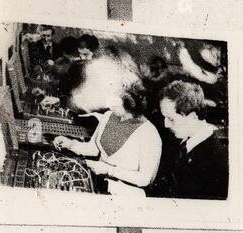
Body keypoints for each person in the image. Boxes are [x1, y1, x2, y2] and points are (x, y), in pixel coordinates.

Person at [53, 52, 162, 197]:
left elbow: (145, 179)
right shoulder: (109, 116)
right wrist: (69, 144)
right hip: (99, 183)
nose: (109, 104)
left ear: (130, 102)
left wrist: (108, 170)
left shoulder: (149, 134)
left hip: (124, 194)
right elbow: (92, 149)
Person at [159, 79, 228, 200]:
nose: (166, 124)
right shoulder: (180, 138)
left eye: (171, 119)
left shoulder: (214, 161)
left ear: (192, 117)